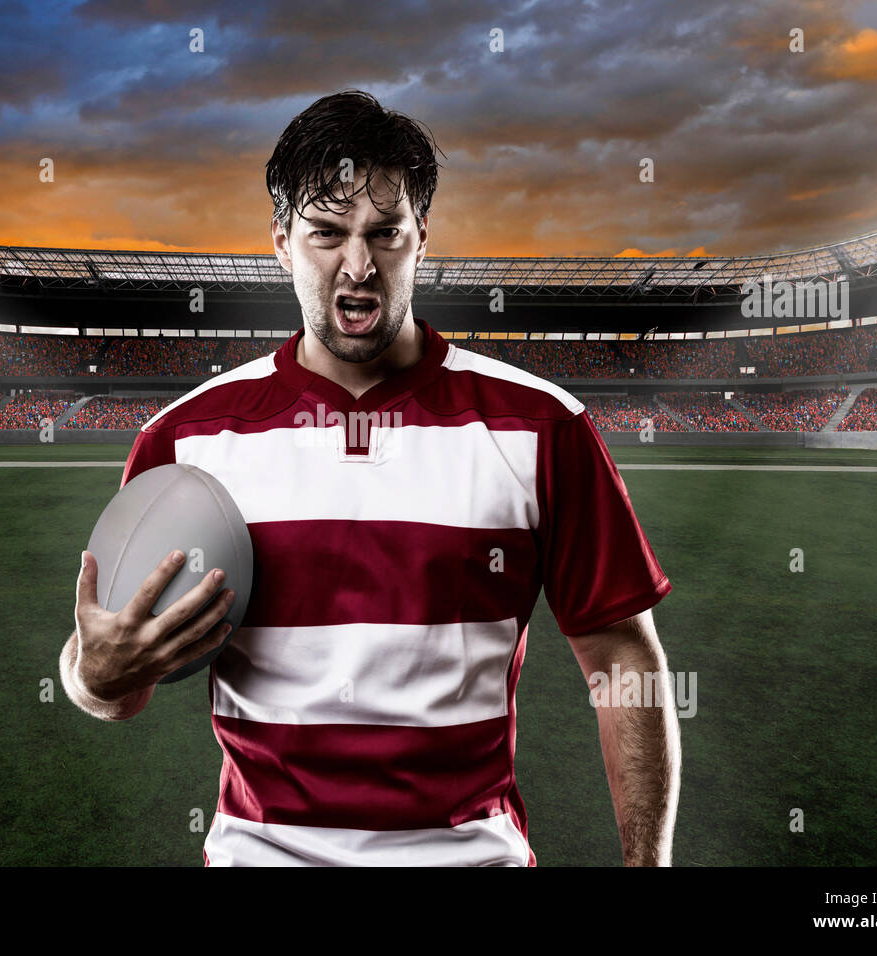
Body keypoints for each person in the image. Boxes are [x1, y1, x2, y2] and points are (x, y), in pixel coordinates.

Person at [60, 89, 677, 867]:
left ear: (423, 239)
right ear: (281, 241)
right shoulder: (185, 439)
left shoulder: (543, 427)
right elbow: (107, 680)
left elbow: (623, 658)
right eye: (326, 233)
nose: (359, 265)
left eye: (386, 232)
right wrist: (93, 673)